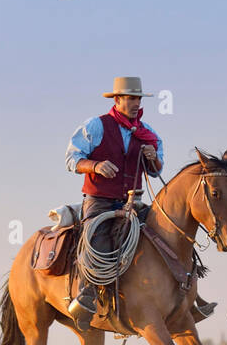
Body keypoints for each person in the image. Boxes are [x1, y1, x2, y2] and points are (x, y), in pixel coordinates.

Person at [63, 77, 165, 330]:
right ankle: (86, 296)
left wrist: (152, 159)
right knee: (94, 238)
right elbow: (72, 159)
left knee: (165, 235)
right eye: (130, 98)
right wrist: (95, 165)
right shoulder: (96, 126)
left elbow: (156, 170)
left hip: (133, 201)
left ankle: (184, 292)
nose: (135, 103)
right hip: (100, 200)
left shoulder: (148, 134)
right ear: (117, 100)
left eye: (138, 98)